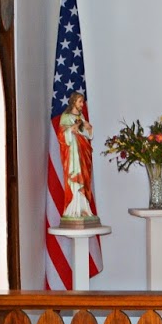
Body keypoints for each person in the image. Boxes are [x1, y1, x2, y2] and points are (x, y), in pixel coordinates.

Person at [55, 90, 99, 224]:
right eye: (80, 102)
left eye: (82, 102)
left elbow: (87, 134)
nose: (82, 105)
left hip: (82, 153)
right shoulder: (65, 117)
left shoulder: (81, 117)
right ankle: (73, 209)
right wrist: (71, 129)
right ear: (74, 102)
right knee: (75, 177)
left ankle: (84, 209)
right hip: (72, 154)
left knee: (84, 178)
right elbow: (61, 135)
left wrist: (88, 128)